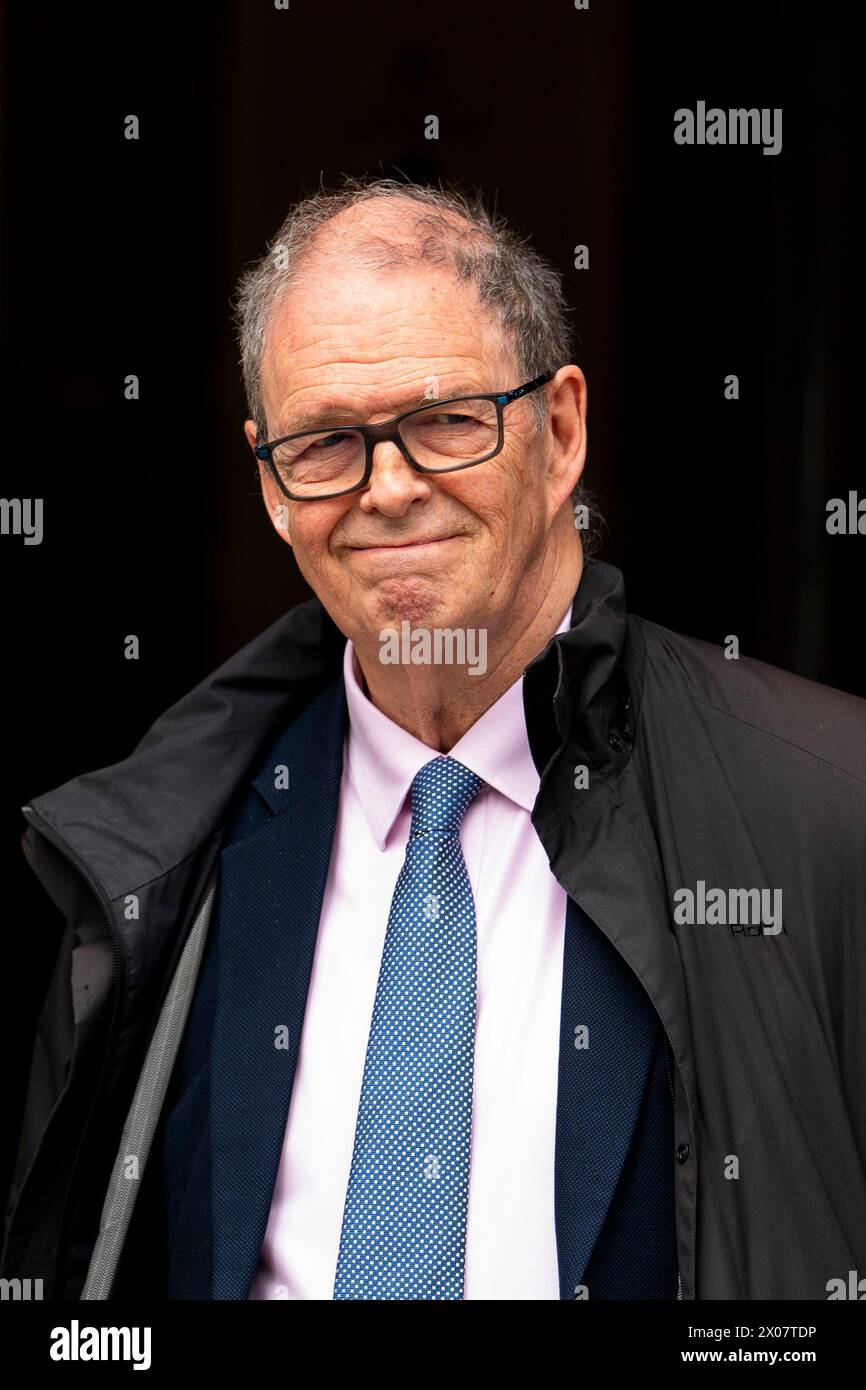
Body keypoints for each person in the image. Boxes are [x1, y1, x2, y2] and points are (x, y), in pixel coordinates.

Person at [3, 177, 865, 1302]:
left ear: (558, 432)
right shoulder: (168, 852)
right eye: (324, 445)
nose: (390, 489)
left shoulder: (825, 804)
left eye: (444, 421)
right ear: (270, 481)